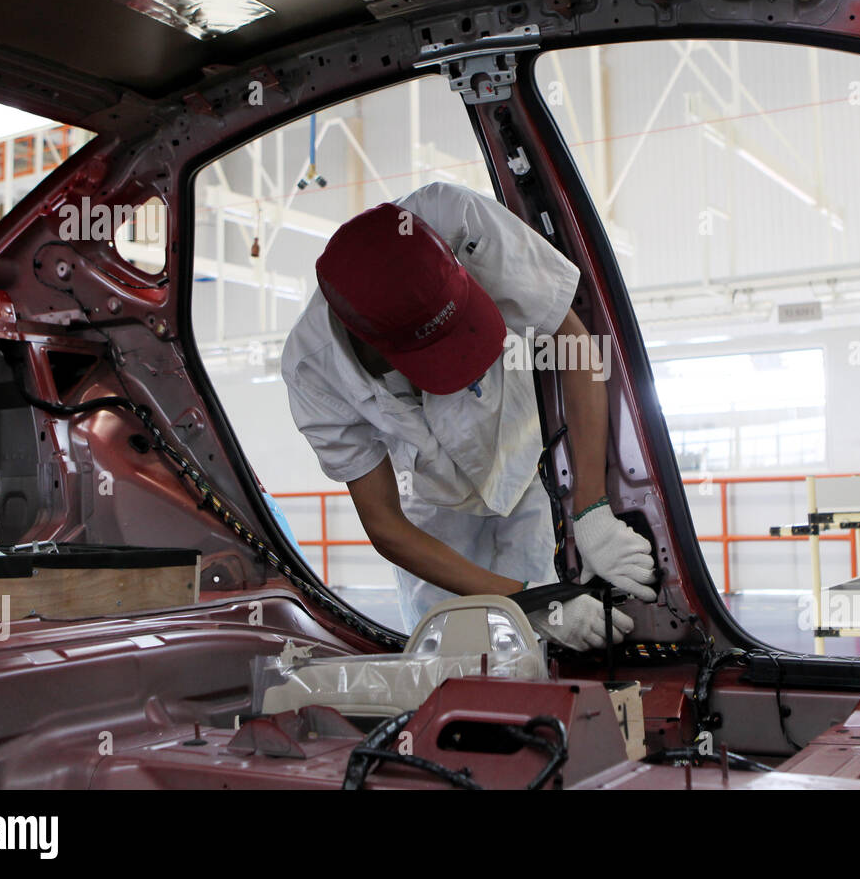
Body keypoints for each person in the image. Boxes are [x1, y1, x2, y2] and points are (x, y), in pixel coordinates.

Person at [281, 181, 657, 650]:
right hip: (434, 510)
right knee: (452, 650)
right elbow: (384, 522)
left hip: (524, 462)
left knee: (543, 651)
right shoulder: (313, 370)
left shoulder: (459, 219)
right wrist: (531, 602)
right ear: (372, 345)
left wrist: (592, 509)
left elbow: (576, 347)